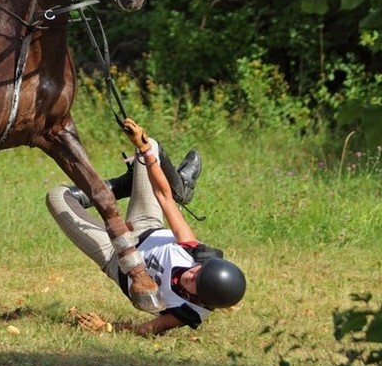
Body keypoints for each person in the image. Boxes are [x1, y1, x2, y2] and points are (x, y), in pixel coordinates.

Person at [46, 118, 246, 336]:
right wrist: (145, 150)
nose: (192, 274)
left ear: (200, 298)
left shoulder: (189, 311)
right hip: (146, 225)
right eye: (200, 271)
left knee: (56, 196)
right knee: (150, 145)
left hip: (113, 257)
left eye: (196, 282)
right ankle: (179, 187)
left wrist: (108, 328)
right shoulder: (196, 253)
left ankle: (116, 187)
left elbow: (146, 330)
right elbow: (165, 197)